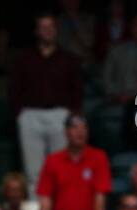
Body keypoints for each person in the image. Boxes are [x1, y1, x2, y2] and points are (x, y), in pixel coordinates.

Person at [10, 15, 83, 191]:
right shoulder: (23, 59)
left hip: (59, 116)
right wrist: (20, 114)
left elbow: (77, 91)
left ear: (56, 31)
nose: (48, 31)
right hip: (30, 116)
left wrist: (71, 115)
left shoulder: (68, 59)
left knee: (61, 169)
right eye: (43, 27)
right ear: (36, 31)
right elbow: (14, 89)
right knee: (33, 172)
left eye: (51, 27)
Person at [36, 113, 110, 210]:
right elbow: (46, 201)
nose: (79, 132)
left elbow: (100, 197)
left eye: (84, 128)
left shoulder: (99, 157)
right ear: (66, 132)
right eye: (75, 128)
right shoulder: (53, 160)